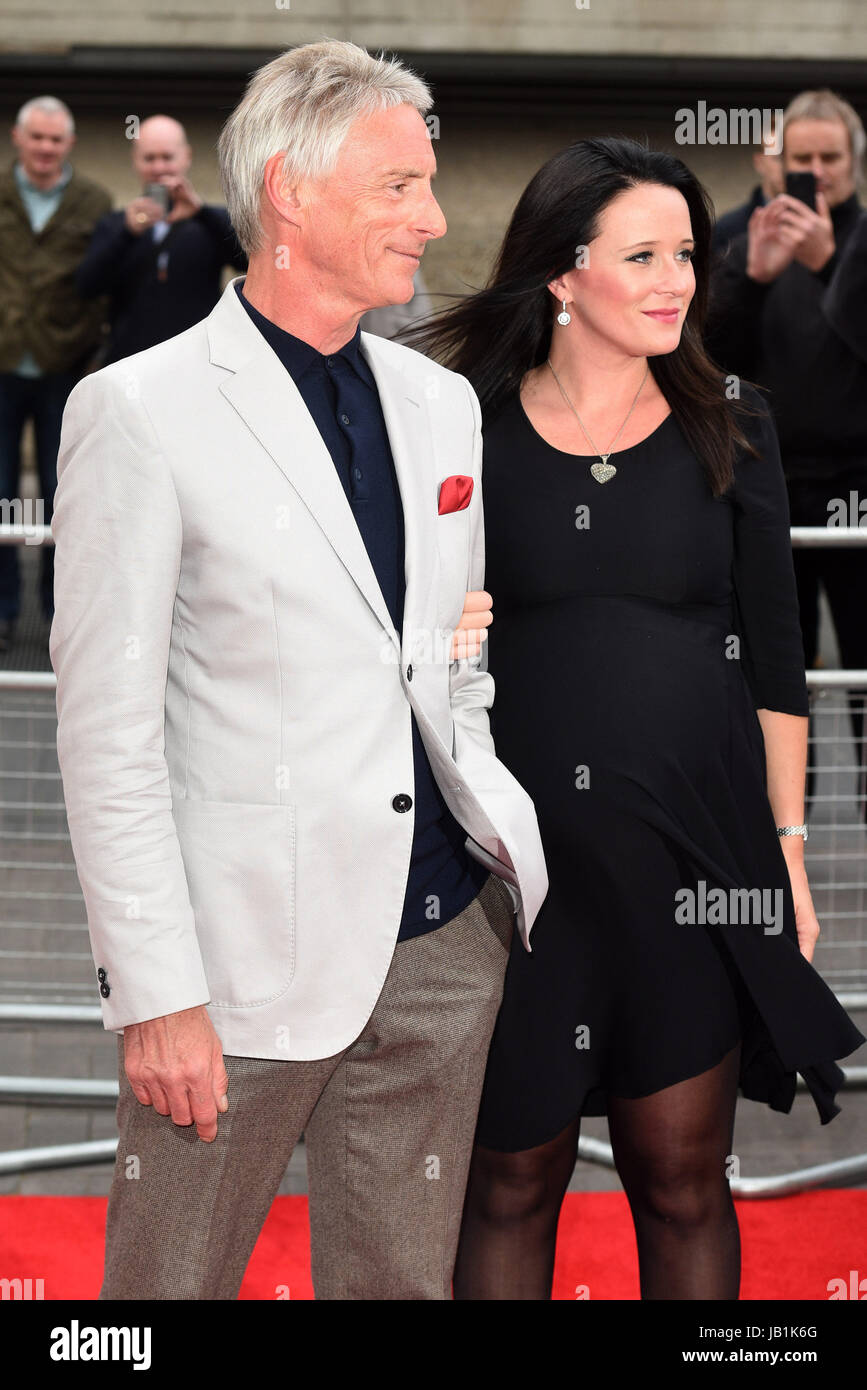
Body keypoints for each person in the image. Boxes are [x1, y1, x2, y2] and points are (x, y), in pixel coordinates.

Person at [49, 39, 547, 1301]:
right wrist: (154, 993)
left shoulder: (441, 408)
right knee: (161, 1299)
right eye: (398, 186)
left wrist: (484, 831)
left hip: (440, 941)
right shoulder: (140, 410)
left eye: (429, 185)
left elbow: (450, 656)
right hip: (233, 969)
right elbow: (108, 734)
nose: (434, 218)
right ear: (290, 190)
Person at [410, 136, 864, 1300]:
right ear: (564, 275)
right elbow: (420, 644)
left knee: (683, 1178)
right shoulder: (469, 432)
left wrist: (791, 862)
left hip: (692, 868)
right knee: (509, 1178)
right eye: (645, 255)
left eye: (688, 256)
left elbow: (776, 669)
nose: (677, 280)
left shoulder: (736, 426)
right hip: (519, 878)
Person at [706, 90, 867, 818]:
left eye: (827, 158)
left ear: (853, 164)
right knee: (772, 674)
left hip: (857, 495)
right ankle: (780, 834)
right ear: (764, 160)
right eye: (797, 158)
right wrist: (755, 276)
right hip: (755, 492)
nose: (813, 172)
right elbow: (696, 357)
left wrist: (833, 265)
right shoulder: (729, 237)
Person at [0, 96, 110, 648]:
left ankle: (55, 613)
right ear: (19, 139)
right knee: (1, 493)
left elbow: (104, 281)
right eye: (36, 138)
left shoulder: (93, 202)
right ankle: (2, 611)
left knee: (60, 490)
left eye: (55, 140)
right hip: (1, 366)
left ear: (68, 144)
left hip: (63, 367)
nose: (45, 149)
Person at [76, 114, 246, 363]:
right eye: (149, 158)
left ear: (186, 157)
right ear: (135, 161)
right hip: (131, 362)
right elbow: (86, 286)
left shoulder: (210, 221)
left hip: (197, 361)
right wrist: (127, 233)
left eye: (167, 157)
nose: (158, 168)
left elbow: (247, 261)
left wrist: (201, 212)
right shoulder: (115, 224)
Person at [711, 123, 784, 258]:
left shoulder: (822, 226)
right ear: (759, 162)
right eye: (778, 158)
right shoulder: (728, 230)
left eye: (795, 157)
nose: (786, 166)